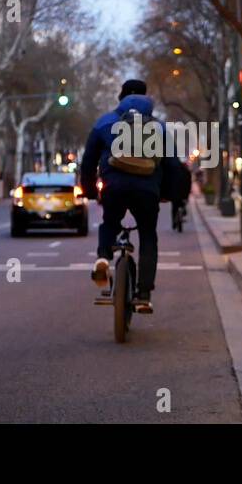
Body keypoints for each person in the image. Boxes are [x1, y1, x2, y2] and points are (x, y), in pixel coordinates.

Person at [82, 79, 176, 314]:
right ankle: (143, 294)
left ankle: (103, 257)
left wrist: (91, 190)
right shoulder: (159, 127)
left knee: (110, 222)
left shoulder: (104, 123)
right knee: (147, 235)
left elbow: (88, 161)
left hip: (114, 187)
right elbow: (172, 165)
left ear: (120, 98)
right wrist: (167, 193)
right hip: (147, 190)